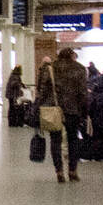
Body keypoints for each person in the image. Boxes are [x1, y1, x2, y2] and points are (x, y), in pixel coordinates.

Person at [36, 47, 89, 184]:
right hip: (73, 110)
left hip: (54, 109)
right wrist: (85, 110)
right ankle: (72, 171)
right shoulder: (80, 69)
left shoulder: (50, 68)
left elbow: (42, 90)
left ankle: (59, 171)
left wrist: (39, 107)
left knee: (55, 141)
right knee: (73, 139)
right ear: (72, 56)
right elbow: (83, 92)